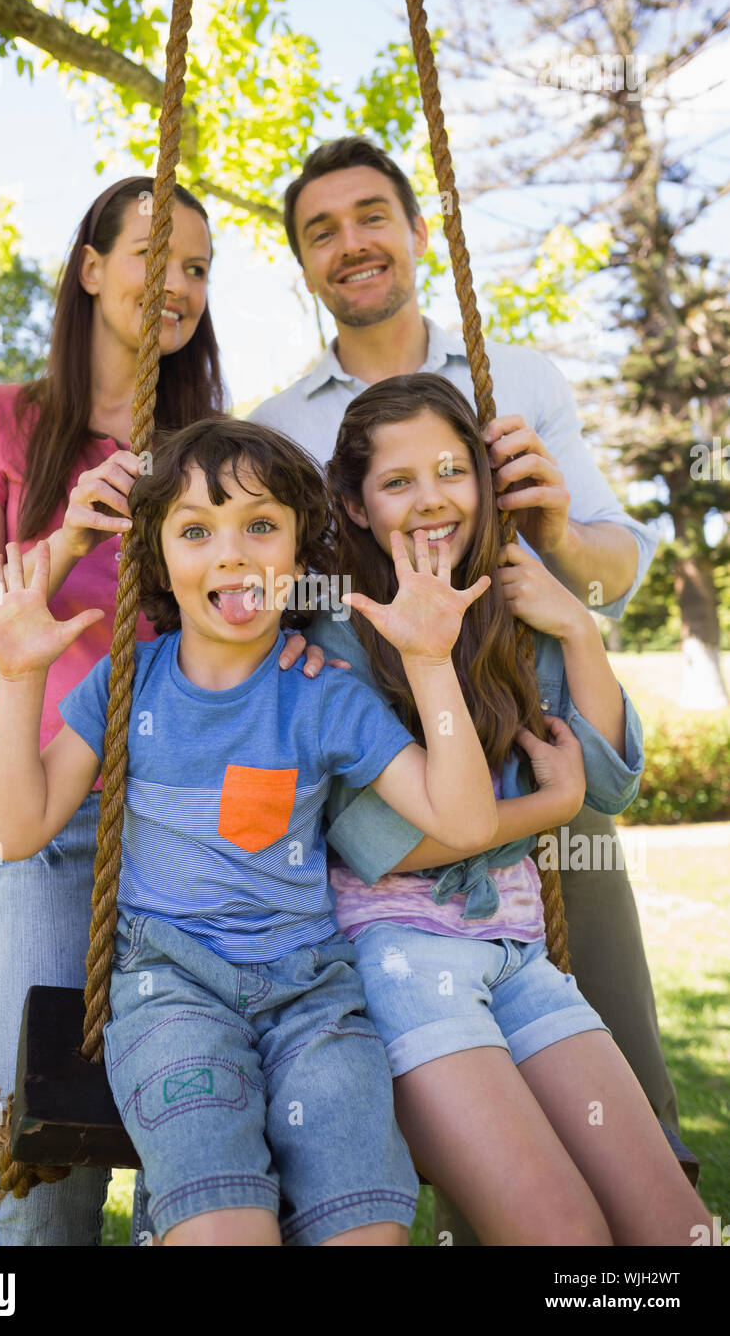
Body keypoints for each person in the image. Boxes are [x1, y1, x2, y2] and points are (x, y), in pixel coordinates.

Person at [0, 415, 500, 1246]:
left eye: (262, 526)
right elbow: (21, 830)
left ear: (300, 550)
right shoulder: (126, 684)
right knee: (226, 1226)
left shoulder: (324, 694)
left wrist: (429, 665)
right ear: (160, 557)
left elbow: (464, 817)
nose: (233, 553)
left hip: (314, 995)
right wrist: (19, 676)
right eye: (198, 529)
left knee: (366, 1227)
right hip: (169, 990)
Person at [250, 138, 680, 1167]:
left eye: (370, 216)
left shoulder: (513, 376)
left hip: (516, 727)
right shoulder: (275, 424)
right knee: (446, 1110)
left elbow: (609, 568)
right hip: (384, 783)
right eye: (321, 230)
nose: (350, 243)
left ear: (413, 230)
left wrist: (562, 560)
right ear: (304, 265)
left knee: (622, 1106)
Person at [0, 177, 330, 1246]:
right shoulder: (1, 417)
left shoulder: (208, 443)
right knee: (51, 1142)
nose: (181, 284)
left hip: (198, 822)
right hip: (55, 820)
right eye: (157, 255)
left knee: (201, 1135)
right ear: (89, 264)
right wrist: (66, 539)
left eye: (199, 267)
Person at [304, 373, 709, 1244]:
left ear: (486, 486)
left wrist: (579, 629)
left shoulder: (510, 615)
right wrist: (543, 808)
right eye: (398, 482)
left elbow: (603, 781)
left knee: (677, 1232)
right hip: (401, 965)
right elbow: (390, 845)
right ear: (359, 505)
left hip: (518, 956)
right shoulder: (338, 637)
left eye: (453, 471)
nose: (431, 500)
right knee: (563, 1237)